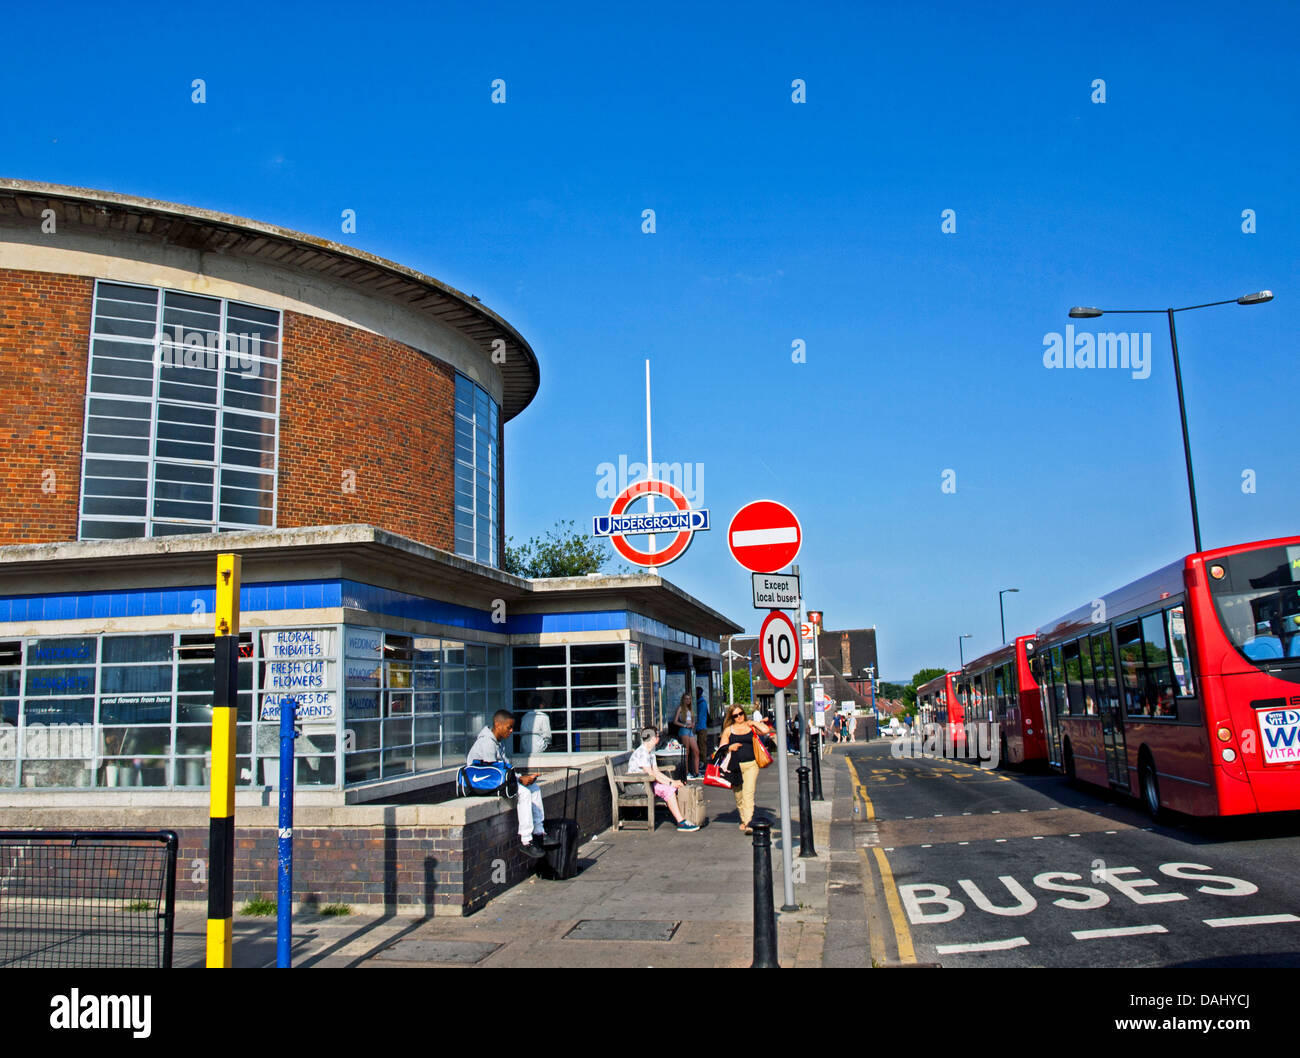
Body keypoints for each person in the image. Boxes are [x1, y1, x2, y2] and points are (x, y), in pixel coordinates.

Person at [467, 710, 546, 859]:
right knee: (524, 793)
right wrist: (519, 780)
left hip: (492, 780)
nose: (511, 731)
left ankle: (539, 832)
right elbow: (493, 773)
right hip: (482, 783)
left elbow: (505, 770)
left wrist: (521, 778)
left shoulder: (498, 743)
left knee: (534, 788)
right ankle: (526, 840)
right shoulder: (486, 743)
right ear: (497, 724)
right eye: (508, 727)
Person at [628, 727, 700, 832]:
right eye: (657, 736)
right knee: (668, 790)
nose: (659, 738)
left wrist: (673, 782)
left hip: (646, 782)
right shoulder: (642, 753)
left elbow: (656, 772)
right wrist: (671, 783)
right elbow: (651, 774)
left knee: (673, 786)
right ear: (652, 738)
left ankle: (683, 817)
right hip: (638, 785)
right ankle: (681, 822)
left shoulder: (650, 751)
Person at [720, 705, 772, 834]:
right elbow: (722, 747)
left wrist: (753, 722)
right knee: (738, 795)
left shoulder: (750, 726)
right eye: (735, 716)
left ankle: (749, 823)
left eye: (741, 714)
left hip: (751, 765)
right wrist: (730, 747)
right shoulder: (728, 730)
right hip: (735, 766)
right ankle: (744, 819)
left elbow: (766, 730)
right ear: (731, 717)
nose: (739, 717)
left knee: (748, 794)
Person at [674, 692, 699, 779]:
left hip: (690, 731)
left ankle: (697, 772)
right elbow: (675, 721)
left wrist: (693, 724)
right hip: (684, 730)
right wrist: (685, 725)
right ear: (683, 700)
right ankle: (686, 772)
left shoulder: (690, 709)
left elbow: (692, 720)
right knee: (687, 752)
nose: (688, 700)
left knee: (696, 751)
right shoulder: (681, 708)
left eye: (689, 699)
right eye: (686, 699)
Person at [693, 685, 709, 771]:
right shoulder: (702, 702)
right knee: (701, 745)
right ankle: (702, 761)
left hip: (701, 727)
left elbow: (698, 716)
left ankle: (703, 762)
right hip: (701, 727)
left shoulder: (700, 703)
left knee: (702, 745)